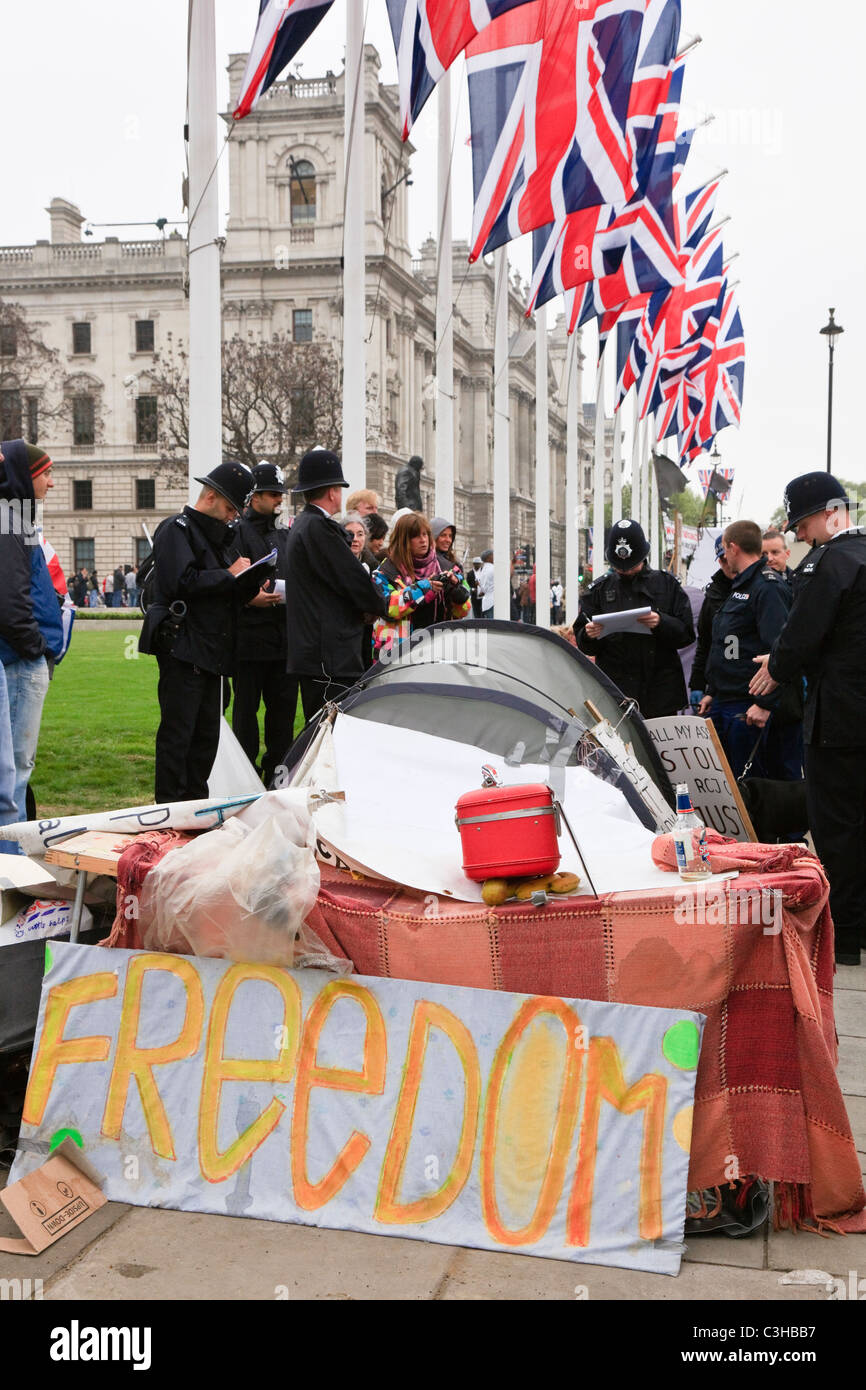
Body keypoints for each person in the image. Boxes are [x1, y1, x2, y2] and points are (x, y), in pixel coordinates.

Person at [750, 472, 866, 964]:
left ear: (826, 514)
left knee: (836, 824)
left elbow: (804, 632)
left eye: (801, 523)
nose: (798, 535)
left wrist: (775, 669)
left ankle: (849, 935)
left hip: (840, 717)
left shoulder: (831, 562)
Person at [139, 460, 267, 801]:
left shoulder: (219, 536)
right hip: (183, 648)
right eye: (228, 507)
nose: (231, 516)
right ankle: (169, 811)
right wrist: (229, 574)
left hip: (212, 651)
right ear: (210, 496)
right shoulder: (176, 529)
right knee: (178, 737)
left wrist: (249, 580)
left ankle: (195, 807)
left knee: (205, 739)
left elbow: (219, 589)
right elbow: (181, 581)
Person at [284, 449, 387, 719]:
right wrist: (379, 604)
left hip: (316, 650)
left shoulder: (304, 525)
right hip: (329, 654)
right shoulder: (320, 528)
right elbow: (352, 578)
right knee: (328, 733)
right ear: (332, 492)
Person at [697, 521, 802, 783]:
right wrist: (713, 691)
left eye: (724, 549)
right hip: (727, 699)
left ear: (733, 548)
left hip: (749, 706)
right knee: (733, 786)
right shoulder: (739, 587)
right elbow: (727, 645)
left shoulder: (767, 587)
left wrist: (765, 704)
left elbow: (781, 651)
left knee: (756, 788)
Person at [0, 441, 64, 824]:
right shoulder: (10, 519)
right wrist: (35, 647)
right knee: (15, 769)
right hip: (18, 659)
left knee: (15, 769)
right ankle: (11, 861)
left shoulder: (16, 516)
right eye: (46, 474)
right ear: (25, 476)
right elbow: (10, 599)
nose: (52, 484)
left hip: (20, 654)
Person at [573, 519, 694, 719]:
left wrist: (661, 622)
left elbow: (686, 634)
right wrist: (589, 634)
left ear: (643, 556)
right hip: (617, 693)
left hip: (659, 693)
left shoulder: (667, 585)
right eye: (620, 567)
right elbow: (584, 643)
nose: (626, 570)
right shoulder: (599, 590)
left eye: (631, 565)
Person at [231, 462, 298, 787]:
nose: (278, 500)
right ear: (254, 496)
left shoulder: (283, 534)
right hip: (248, 640)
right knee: (245, 715)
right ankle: (244, 776)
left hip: (283, 640)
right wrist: (249, 598)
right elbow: (226, 580)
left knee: (282, 716)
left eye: (280, 494)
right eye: (273, 494)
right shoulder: (236, 532)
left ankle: (277, 775)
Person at [372, 512, 471, 659]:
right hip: (399, 654)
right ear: (403, 540)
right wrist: (424, 588)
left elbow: (464, 611)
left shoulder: (448, 567)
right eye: (416, 536)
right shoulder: (386, 571)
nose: (423, 540)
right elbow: (388, 608)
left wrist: (456, 593)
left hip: (438, 649)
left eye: (425, 535)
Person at [689, 535, 735, 712]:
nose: (728, 563)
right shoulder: (713, 595)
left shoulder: (761, 587)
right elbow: (705, 643)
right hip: (720, 687)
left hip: (748, 687)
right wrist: (697, 684)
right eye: (722, 559)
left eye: (729, 557)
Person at [477, 549, 495, 616]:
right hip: (493, 603)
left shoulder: (484, 569)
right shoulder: (493, 568)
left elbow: (483, 589)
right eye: (493, 555)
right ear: (489, 557)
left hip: (487, 603)